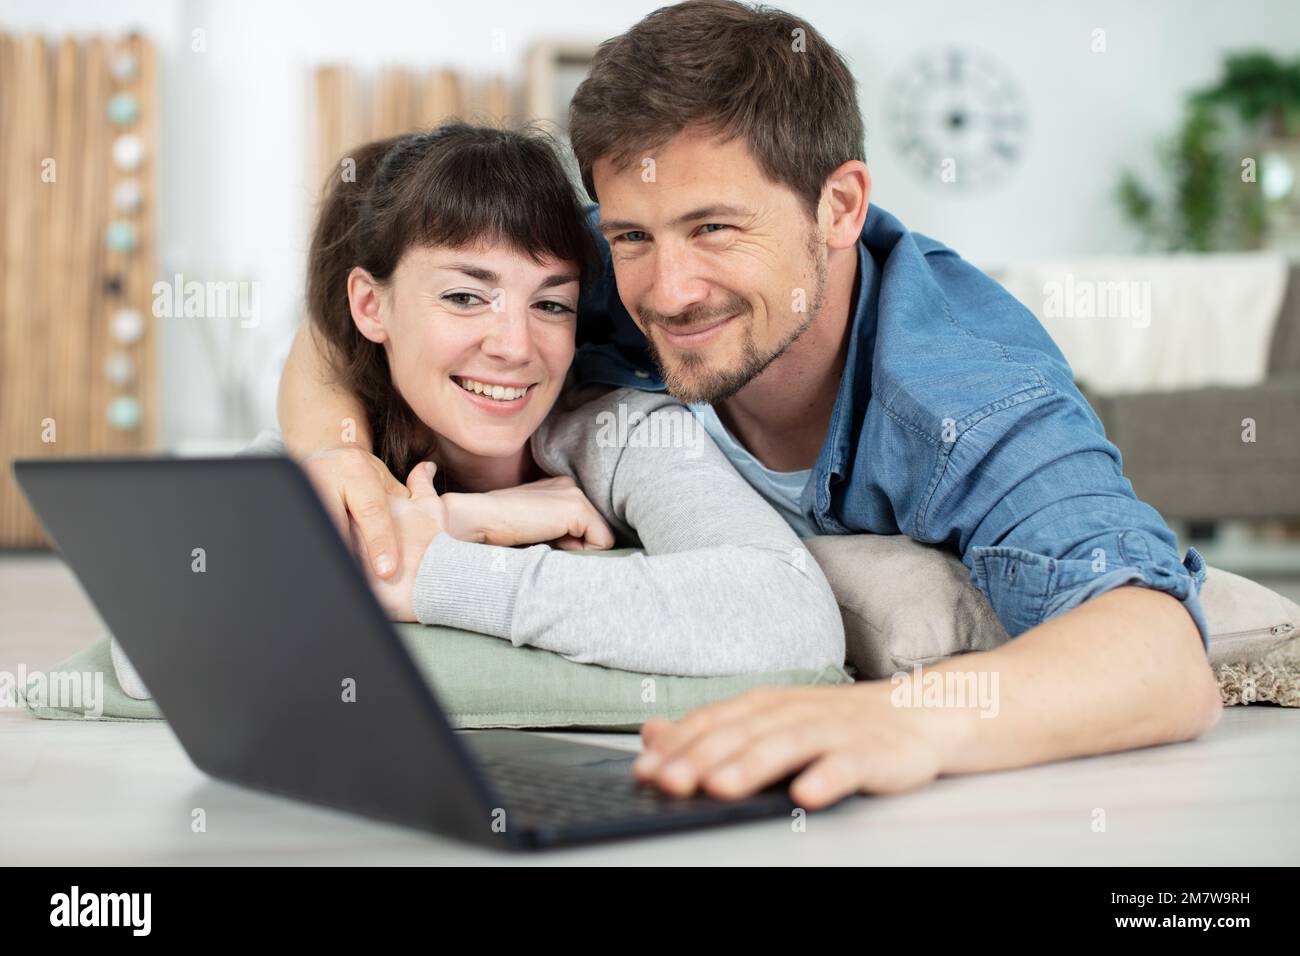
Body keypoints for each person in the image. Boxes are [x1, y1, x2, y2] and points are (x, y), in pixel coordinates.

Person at [278, 2, 1222, 809]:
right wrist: (340, 457)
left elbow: (1160, 656)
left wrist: (898, 720)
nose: (672, 290)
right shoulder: (606, 276)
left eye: (717, 229)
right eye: (635, 234)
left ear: (840, 207)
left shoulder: (963, 394)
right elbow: (339, 331)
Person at [113, 123, 847, 693]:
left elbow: (790, 616)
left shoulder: (619, 431)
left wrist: (439, 567)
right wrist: (468, 526)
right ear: (372, 305)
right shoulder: (332, 452)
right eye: (465, 296)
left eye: (550, 303)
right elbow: (147, 649)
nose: (513, 345)